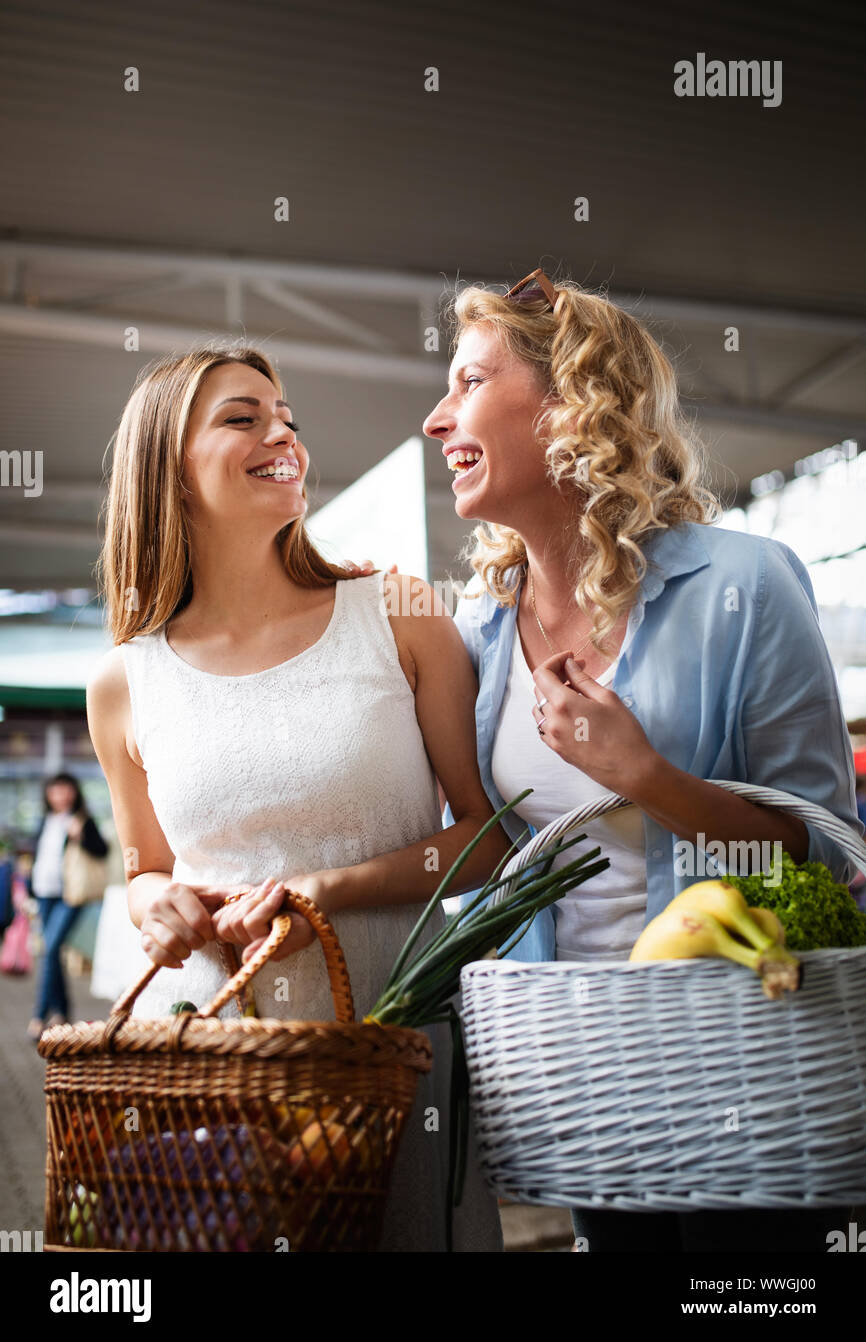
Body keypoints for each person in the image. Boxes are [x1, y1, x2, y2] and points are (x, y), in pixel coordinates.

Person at [413, 266, 862, 1253]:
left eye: (469, 382)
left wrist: (646, 778)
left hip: (752, 1072)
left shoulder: (743, 584)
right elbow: (481, 861)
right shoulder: (478, 634)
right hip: (582, 1093)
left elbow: (823, 858)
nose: (436, 419)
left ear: (571, 403)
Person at [85, 341, 507, 1252]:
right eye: (243, 417)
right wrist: (150, 902)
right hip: (217, 1066)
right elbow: (144, 869)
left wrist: (333, 888)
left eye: (288, 418)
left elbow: (485, 837)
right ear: (168, 467)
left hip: (392, 1046)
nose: (284, 435)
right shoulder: (125, 680)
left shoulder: (398, 613)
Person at [26, 772, 109, 1039]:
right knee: (51, 953)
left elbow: (101, 850)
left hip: (69, 896)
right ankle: (62, 1012)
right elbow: (40, 856)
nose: (60, 795)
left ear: (74, 792)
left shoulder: (82, 820)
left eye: (65, 790)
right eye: (55, 790)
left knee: (50, 950)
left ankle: (39, 1017)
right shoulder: (46, 821)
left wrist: (80, 836)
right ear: (48, 795)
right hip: (44, 894)